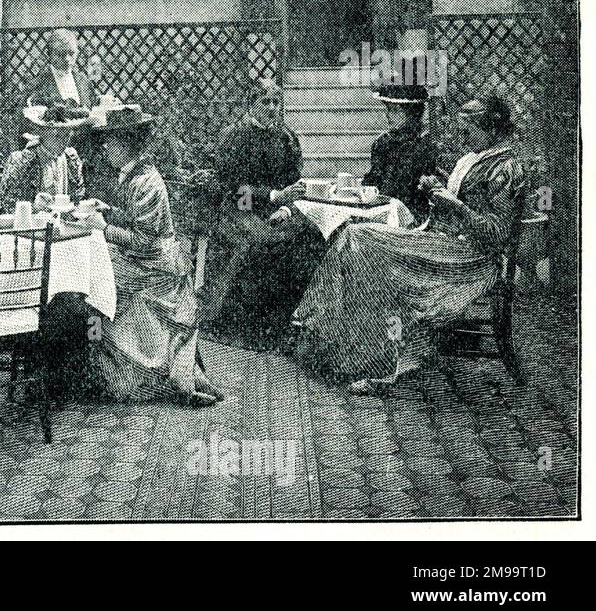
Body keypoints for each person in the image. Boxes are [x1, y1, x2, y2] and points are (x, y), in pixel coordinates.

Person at [293, 94, 526, 396]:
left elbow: (495, 235)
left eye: (470, 132)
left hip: (469, 260)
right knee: (353, 235)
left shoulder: (507, 167)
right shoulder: (476, 156)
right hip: (444, 244)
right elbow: (466, 201)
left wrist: (452, 203)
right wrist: (439, 189)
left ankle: (374, 363)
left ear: (492, 130)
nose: (464, 138)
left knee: (363, 241)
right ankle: (340, 346)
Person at [78, 109, 223, 406]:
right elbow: (136, 221)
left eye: (111, 142)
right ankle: (115, 369)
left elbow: (145, 241)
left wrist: (104, 228)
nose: (105, 147)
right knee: (94, 273)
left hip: (157, 266)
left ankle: (123, 373)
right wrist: (108, 211)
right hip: (148, 260)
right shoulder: (135, 174)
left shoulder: (145, 182)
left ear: (128, 144)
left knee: (93, 284)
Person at [199, 79, 326, 335]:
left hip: (277, 208)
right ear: (251, 104)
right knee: (265, 241)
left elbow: (294, 182)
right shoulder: (234, 135)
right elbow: (232, 188)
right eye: (265, 102)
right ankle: (249, 321)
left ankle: (285, 315)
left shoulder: (286, 137)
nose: (271, 108)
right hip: (240, 208)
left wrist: (286, 207)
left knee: (311, 235)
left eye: (275, 102)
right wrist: (273, 196)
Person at [12, 29, 99, 152]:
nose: (67, 59)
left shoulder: (83, 81)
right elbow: (25, 128)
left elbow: (93, 108)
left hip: (85, 153)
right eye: (61, 54)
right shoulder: (37, 85)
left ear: (77, 53)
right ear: (50, 54)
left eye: (71, 53)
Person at [0, 101, 87, 213]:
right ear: (42, 131)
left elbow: (78, 198)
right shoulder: (21, 161)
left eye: (67, 133)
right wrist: (34, 208)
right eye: (57, 134)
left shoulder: (71, 158)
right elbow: (8, 205)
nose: (63, 139)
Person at [363, 83, 439, 211]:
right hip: (381, 208)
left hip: (412, 213)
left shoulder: (424, 145)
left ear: (412, 113)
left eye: (394, 110)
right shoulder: (382, 142)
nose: (387, 114)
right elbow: (373, 180)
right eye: (387, 109)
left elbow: (412, 191)